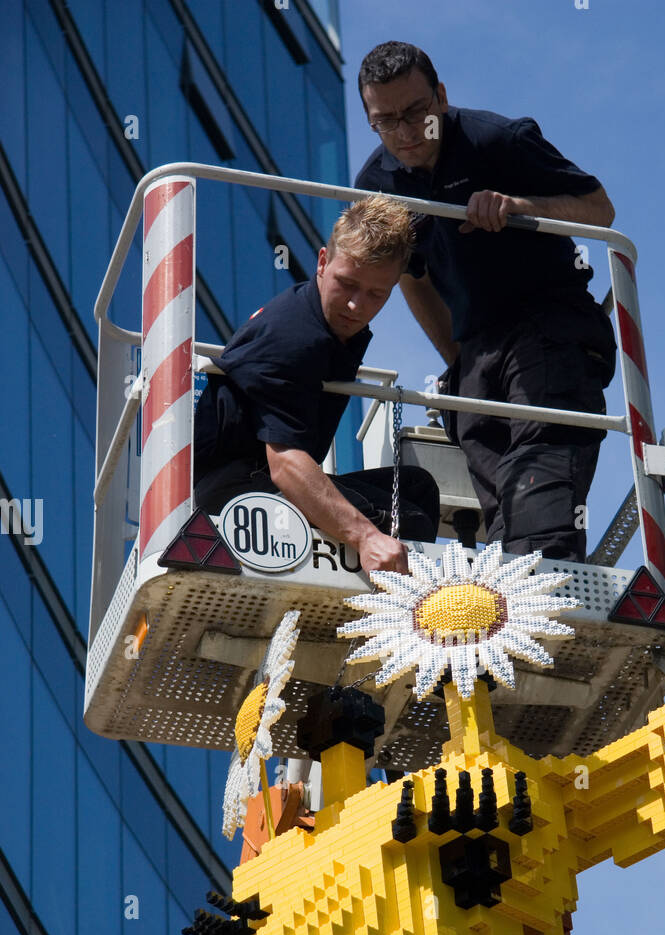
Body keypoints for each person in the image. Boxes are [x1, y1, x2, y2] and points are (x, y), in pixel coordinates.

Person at [355, 42, 617, 563]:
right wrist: (456, 359)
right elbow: (412, 278)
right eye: (386, 121)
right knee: (499, 504)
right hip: (476, 354)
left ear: (442, 97)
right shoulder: (376, 187)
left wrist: (520, 206)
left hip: (549, 327)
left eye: (416, 113)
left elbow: (599, 208)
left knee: (541, 474)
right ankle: (505, 603)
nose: (405, 133)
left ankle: (539, 597)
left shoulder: (499, 140)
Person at [193, 195, 439, 576]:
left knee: (416, 487)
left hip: (259, 474)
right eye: (347, 284)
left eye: (377, 294)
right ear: (322, 262)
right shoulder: (294, 335)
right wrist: (365, 537)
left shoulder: (330, 324)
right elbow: (286, 466)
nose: (357, 306)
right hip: (232, 490)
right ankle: (393, 623)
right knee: (407, 521)